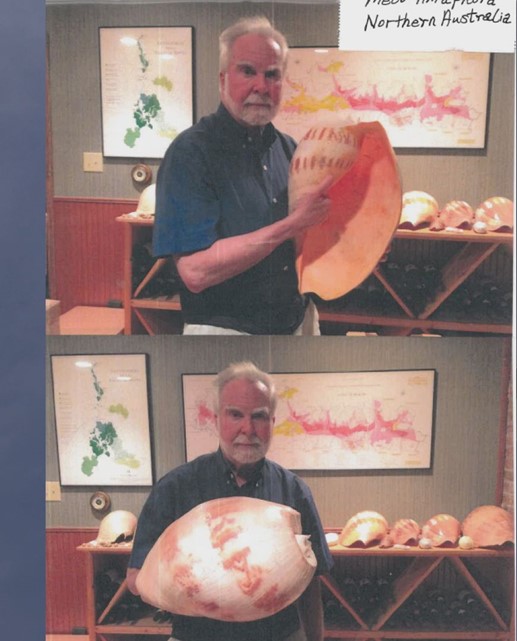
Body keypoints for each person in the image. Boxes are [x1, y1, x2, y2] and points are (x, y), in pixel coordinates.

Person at [126, 362, 333, 641]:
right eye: (235, 414)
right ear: (216, 419)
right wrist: (193, 585)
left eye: (259, 416)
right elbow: (136, 578)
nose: (248, 428)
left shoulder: (294, 491)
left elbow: (311, 584)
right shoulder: (175, 488)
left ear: (272, 423)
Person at [153, 16, 332, 334]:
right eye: (248, 71)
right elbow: (195, 273)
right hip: (225, 332)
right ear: (223, 79)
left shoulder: (291, 149)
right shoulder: (190, 153)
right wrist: (291, 225)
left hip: (299, 321)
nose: (261, 86)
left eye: (272, 74)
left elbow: (308, 239)